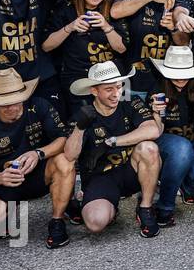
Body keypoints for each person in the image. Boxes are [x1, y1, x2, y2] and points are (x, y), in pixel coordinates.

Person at [0, 70, 73, 248]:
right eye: (5, 104)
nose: (12, 107)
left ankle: (57, 221)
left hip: (37, 175)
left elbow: (62, 139)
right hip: (3, 185)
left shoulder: (39, 106)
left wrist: (38, 153)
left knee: (65, 160)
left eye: (16, 101)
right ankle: (6, 214)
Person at [64, 61, 164, 238]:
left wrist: (113, 141)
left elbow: (153, 130)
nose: (116, 94)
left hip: (130, 169)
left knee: (149, 148)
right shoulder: (83, 113)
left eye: (119, 87)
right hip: (100, 177)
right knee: (95, 223)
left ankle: (145, 208)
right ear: (94, 91)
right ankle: (107, 208)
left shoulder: (129, 101)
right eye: (109, 89)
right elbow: (70, 155)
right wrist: (79, 128)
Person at [149, 45, 194, 225]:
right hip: (165, 142)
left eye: (185, 72)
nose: (180, 78)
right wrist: (155, 112)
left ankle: (185, 184)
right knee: (181, 148)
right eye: (175, 72)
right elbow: (150, 129)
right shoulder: (156, 87)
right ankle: (164, 207)